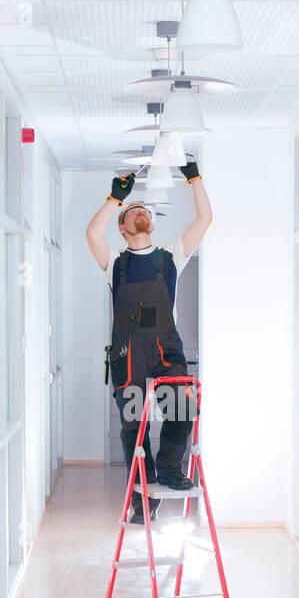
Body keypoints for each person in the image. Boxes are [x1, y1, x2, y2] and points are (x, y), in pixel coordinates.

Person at [86, 161, 213, 523]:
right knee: (133, 429)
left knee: (181, 410)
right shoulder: (115, 263)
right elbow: (92, 234)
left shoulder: (170, 256)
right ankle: (144, 498)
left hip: (165, 352)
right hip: (128, 359)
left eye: (144, 210)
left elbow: (204, 220)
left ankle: (172, 468)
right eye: (131, 210)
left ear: (151, 224)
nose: (139, 209)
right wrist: (115, 198)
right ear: (123, 228)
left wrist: (194, 177)